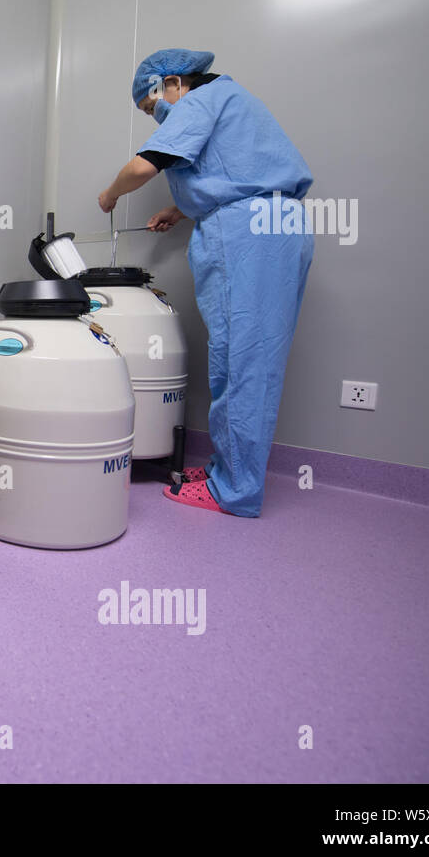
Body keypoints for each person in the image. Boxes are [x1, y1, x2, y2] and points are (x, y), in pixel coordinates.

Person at [97, 48, 313, 516]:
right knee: (247, 355)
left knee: (241, 361)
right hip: (271, 226)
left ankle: (232, 490)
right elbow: (238, 172)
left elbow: (142, 167)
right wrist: (182, 210)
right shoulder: (232, 98)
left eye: (152, 107)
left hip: (248, 234)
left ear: (172, 82)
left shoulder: (199, 100)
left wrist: (109, 194)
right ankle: (226, 470)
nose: (157, 118)